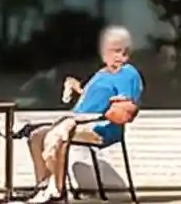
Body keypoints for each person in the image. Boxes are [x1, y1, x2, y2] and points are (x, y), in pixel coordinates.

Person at [23, 25, 143, 203]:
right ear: (104, 52)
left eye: (124, 52)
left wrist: (119, 108)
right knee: (36, 136)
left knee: (60, 135)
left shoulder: (127, 73)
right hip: (79, 120)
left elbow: (126, 106)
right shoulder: (102, 73)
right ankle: (43, 186)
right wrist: (74, 85)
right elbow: (90, 96)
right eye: (115, 51)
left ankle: (57, 191)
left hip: (101, 127)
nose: (121, 57)